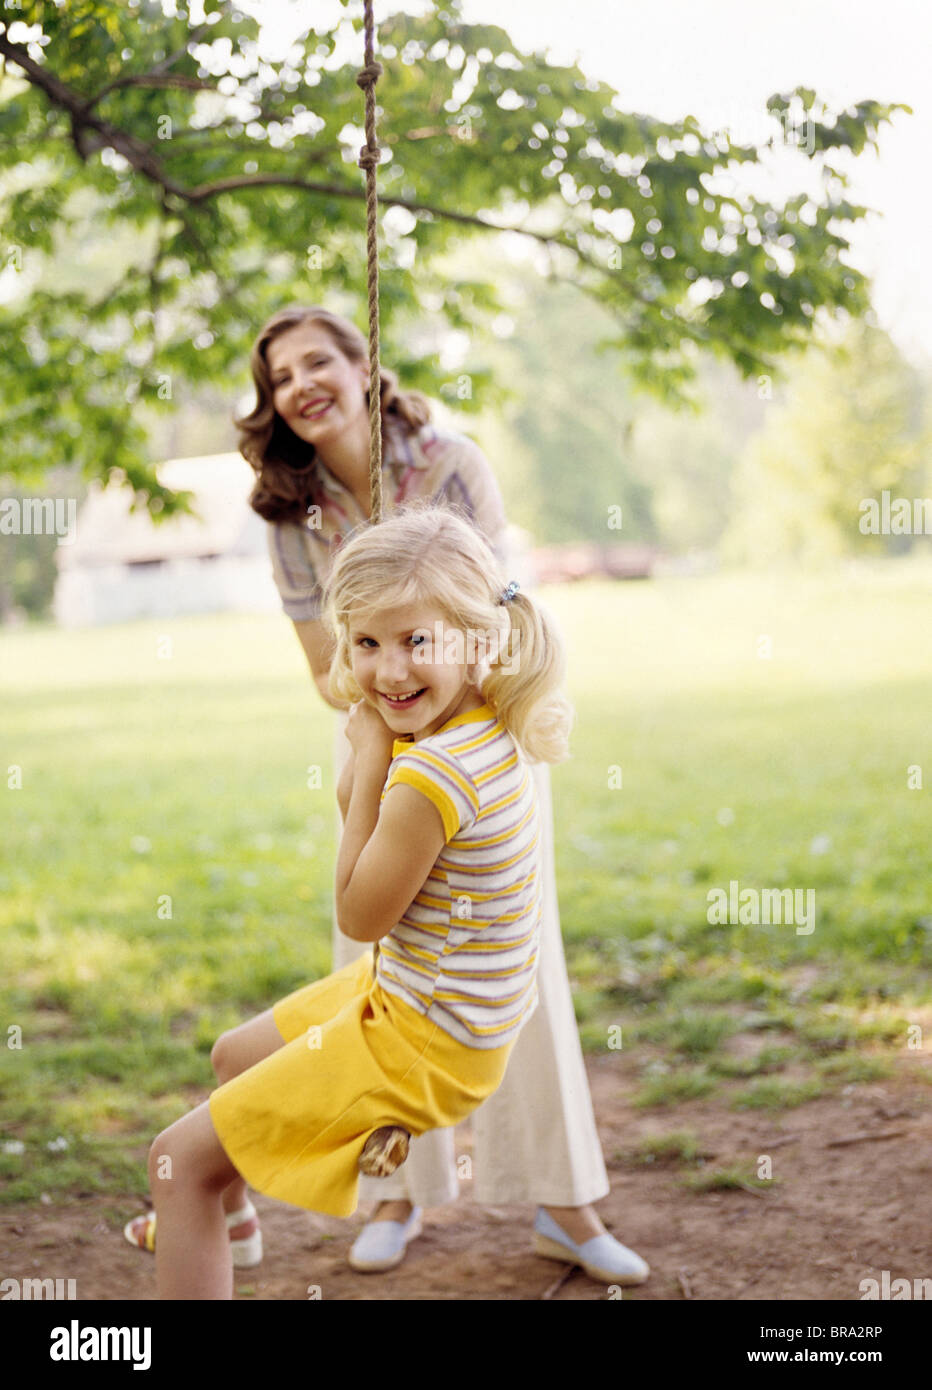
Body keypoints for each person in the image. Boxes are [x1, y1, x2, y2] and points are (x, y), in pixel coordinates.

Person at [126, 304, 649, 1287]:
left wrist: (386, 740)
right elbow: (331, 665)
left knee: (496, 967)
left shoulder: (451, 461)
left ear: (365, 365)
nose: (300, 383)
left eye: (318, 359)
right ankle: (381, 1194)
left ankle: (564, 1202)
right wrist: (381, 693)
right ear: (272, 401)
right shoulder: (289, 508)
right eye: (280, 375)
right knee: (260, 1041)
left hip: (454, 736)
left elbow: (484, 605)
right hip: (412, 730)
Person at [139, 504, 569, 1299]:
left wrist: (363, 767)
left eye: (417, 641)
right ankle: (229, 1221)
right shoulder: (491, 717)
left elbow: (359, 916)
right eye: (366, 643)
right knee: (234, 1059)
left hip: (426, 1038)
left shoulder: (428, 775)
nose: (390, 672)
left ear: (476, 638)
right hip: (432, 1002)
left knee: (177, 1162)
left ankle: (199, 1205)